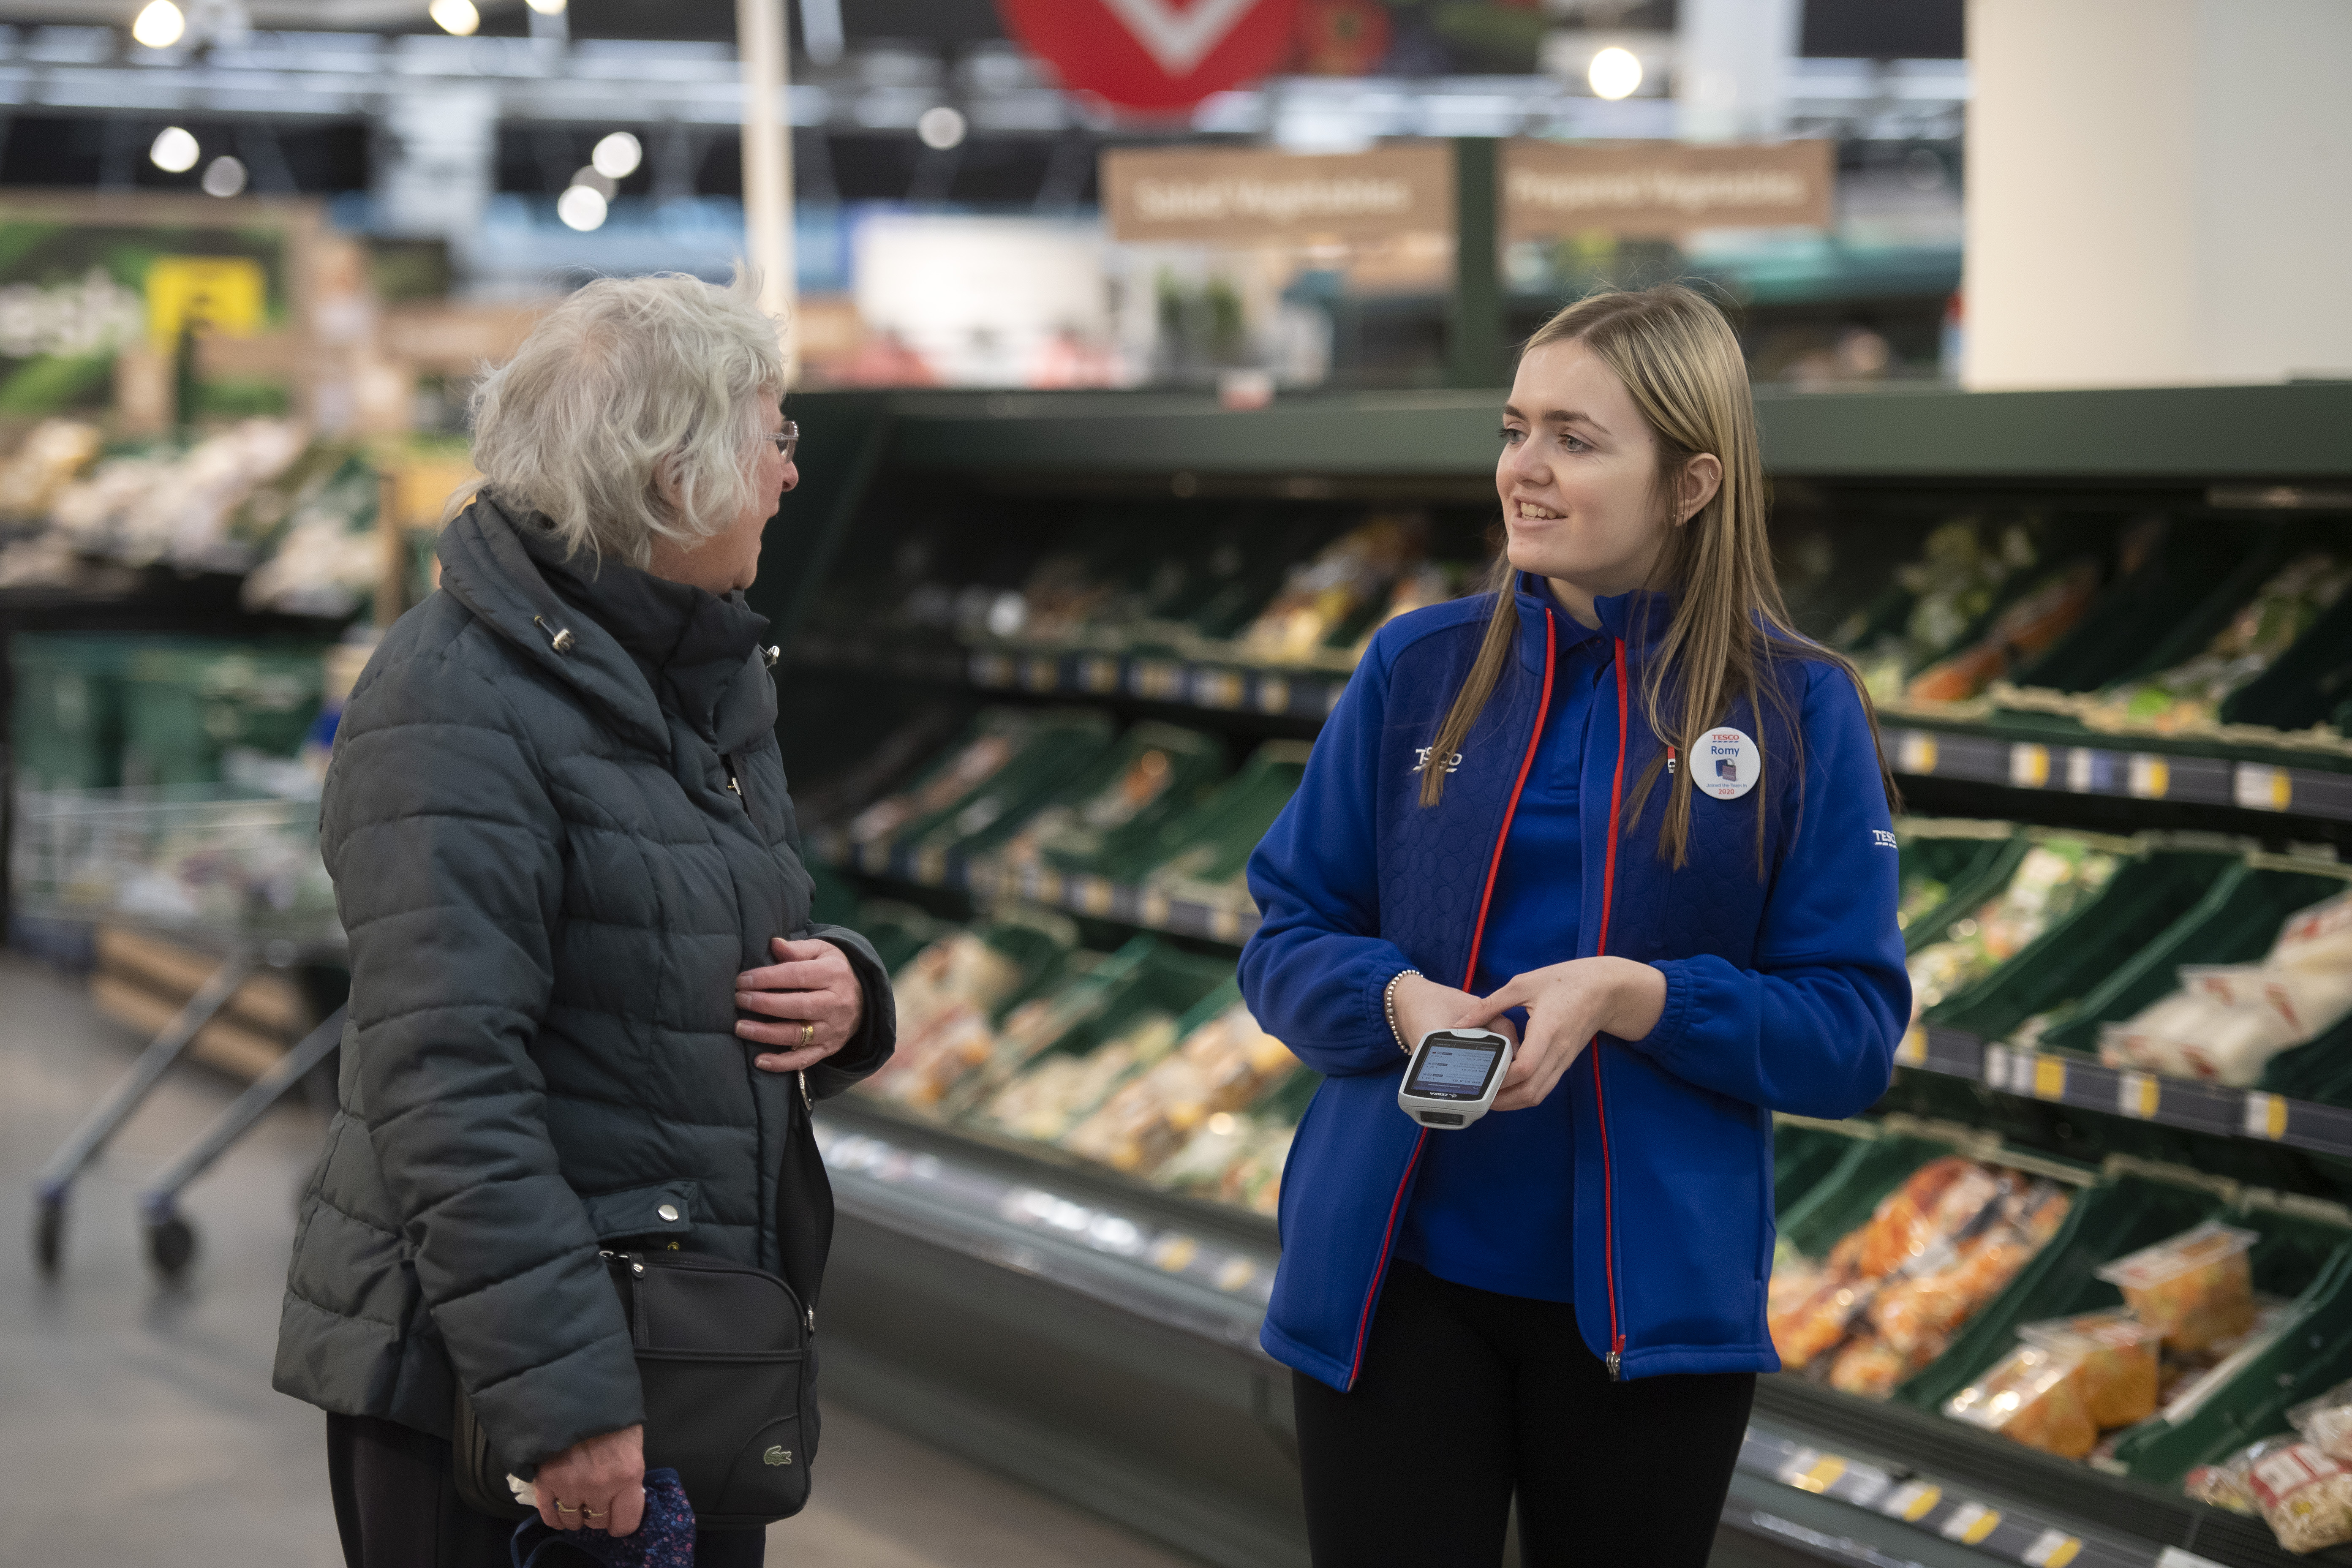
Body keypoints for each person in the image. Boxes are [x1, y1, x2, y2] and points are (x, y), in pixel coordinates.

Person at [1238, 284, 1908, 1567]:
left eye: (1575, 439)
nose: (1522, 472)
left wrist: (1634, 995)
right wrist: (1394, 1002)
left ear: (1693, 482)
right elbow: (1285, 936)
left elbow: (1851, 1030)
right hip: (1396, 1288)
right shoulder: (1416, 668)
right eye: (1514, 428)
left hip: (1648, 1318)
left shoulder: (1800, 711)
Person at [273, 272, 896, 1568]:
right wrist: (565, 1406)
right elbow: (443, 1077)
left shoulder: (700, 672)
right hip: (500, 1392)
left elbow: (690, 951)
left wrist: (844, 992)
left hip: (683, 1346)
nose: (789, 475)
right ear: (673, 476)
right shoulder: (455, 699)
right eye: (771, 439)